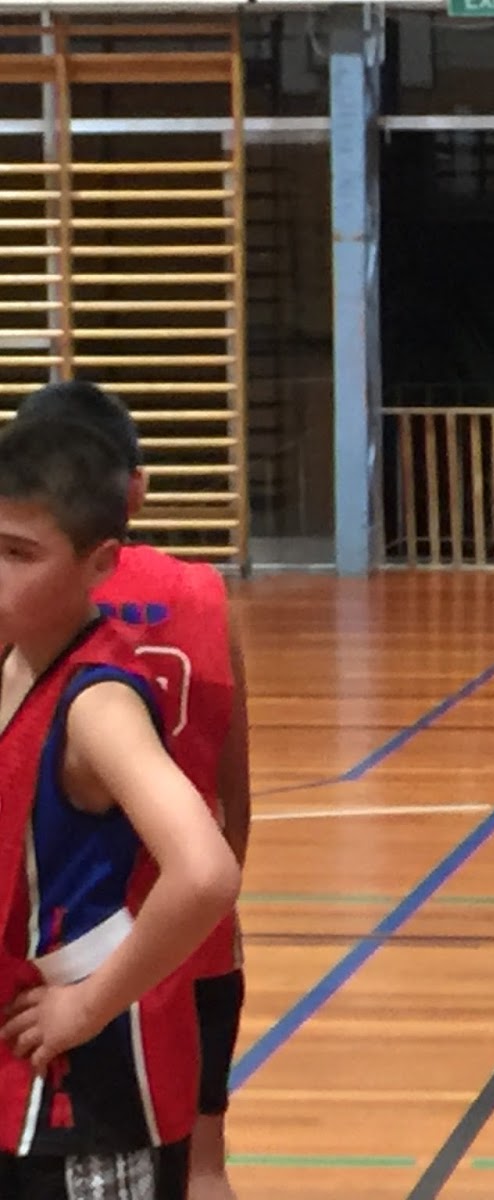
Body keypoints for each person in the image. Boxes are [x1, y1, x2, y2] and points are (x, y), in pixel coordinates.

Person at [16, 380, 252, 1200]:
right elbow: (235, 790)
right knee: (208, 1171)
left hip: (90, 995)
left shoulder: (88, 683)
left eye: (16, 550)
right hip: (171, 951)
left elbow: (207, 861)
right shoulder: (197, 596)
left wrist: (84, 1007)